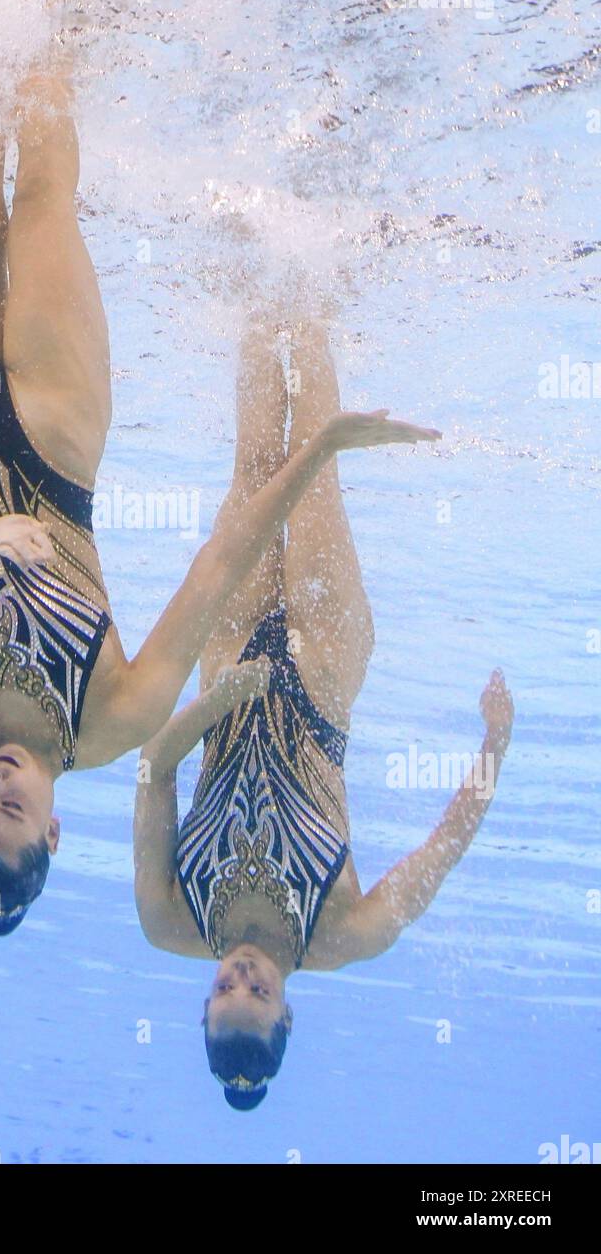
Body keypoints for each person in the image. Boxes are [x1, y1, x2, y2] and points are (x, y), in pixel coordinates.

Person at [0, 45, 441, 935]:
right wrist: (319, 450)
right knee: (43, 186)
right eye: (9, 808)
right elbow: (215, 570)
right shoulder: (116, 718)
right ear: (52, 830)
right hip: (56, 436)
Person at [133, 314, 513, 1108]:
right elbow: (443, 847)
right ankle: (312, 279)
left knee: (254, 466)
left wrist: (217, 702)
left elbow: (153, 767)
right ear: (288, 1013)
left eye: (224, 991)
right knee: (317, 462)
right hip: (324, 667)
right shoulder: (346, 934)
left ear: (204, 1004)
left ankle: (250, 275)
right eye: (259, 994)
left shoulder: (170, 919)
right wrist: (495, 745)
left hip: (229, 654)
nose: (241, 974)